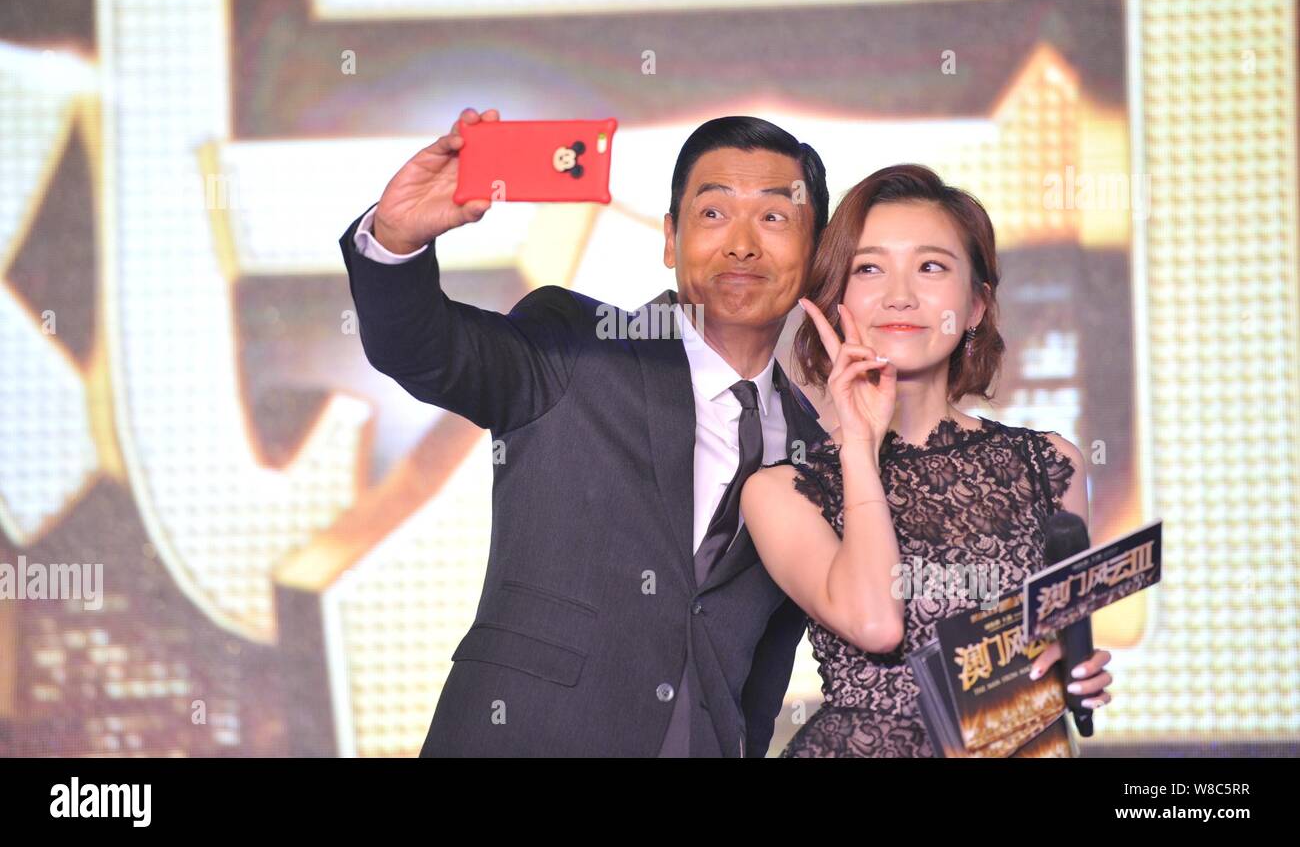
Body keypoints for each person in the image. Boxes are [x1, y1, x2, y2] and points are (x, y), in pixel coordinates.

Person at [338, 108, 830, 756]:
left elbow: (760, 676)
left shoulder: (819, 454)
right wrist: (395, 243)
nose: (742, 243)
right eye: (713, 214)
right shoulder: (577, 345)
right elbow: (426, 350)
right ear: (669, 239)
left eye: (774, 217)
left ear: (816, 252)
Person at [739, 164, 1114, 757]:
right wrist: (858, 446)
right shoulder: (782, 490)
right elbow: (875, 623)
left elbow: (1062, 650)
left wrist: (1071, 667)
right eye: (869, 268)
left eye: (931, 266)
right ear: (835, 299)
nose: (900, 295)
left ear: (976, 306)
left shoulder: (1051, 465)